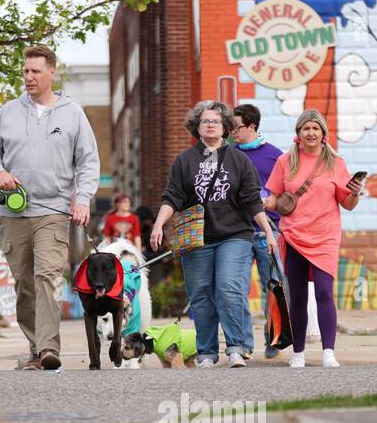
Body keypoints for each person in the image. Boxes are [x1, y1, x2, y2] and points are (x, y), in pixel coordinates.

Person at [0, 44, 100, 371]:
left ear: (52, 72)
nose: (29, 77)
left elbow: (88, 162)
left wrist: (82, 199)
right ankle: (36, 347)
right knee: (24, 284)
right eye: (25, 71)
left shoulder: (72, 113)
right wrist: (0, 172)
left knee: (47, 277)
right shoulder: (8, 112)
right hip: (14, 212)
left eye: (35, 71)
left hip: (53, 210)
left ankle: (49, 350)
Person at [150, 100, 277, 368]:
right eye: (205, 121)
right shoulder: (185, 161)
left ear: (225, 127)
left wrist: (268, 232)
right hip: (197, 239)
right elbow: (172, 196)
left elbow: (252, 200)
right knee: (201, 295)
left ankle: (237, 346)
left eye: (216, 121)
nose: (210, 125)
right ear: (196, 127)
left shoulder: (238, 160)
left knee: (229, 288)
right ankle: (206, 351)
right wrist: (159, 224)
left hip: (235, 235)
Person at [264, 109, 365, 368]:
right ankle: (298, 353)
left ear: (323, 134)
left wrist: (355, 192)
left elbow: (348, 203)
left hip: (325, 237)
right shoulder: (286, 162)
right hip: (294, 234)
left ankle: (328, 351)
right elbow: (276, 198)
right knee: (297, 297)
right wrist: (264, 203)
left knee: (323, 292)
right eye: (305, 128)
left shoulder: (336, 164)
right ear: (298, 134)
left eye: (315, 128)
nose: (310, 132)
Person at [232, 103, 284, 358]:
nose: (232, 132)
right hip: (238, 233)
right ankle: (243, 343)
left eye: (237, 127)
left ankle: (273, 339)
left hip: (269, 233)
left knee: (273, 288)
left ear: (252, 126)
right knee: (237, 289)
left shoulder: (276, 156)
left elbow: (285, 193)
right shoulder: (228, 154)